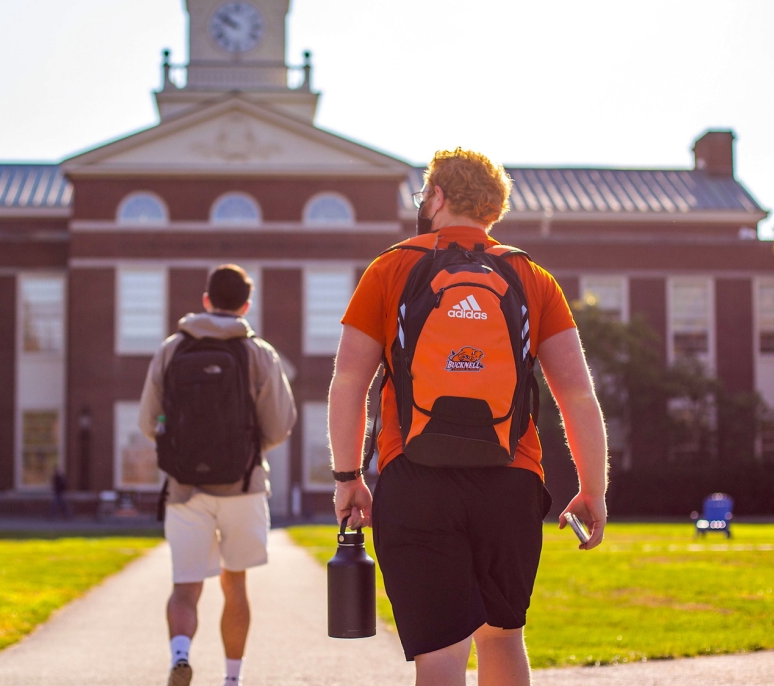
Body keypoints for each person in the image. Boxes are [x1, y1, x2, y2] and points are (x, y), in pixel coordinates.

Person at [328, 149, 609, 686]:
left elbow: (348, 382)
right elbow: (577, 395)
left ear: (435, 198)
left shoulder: (390, 268)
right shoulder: (531, 276)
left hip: (415, 477)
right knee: (502, 637)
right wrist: (592, 488)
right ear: (493, 210)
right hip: (511, 476)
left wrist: (349, 478)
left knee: (441, 650)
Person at [138, 264, 297, 686]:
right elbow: (281, 424)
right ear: (246, 304)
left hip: (184, 490)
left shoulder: (172, 348)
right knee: (235, 585)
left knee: (185, 587)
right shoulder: (259, 352)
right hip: (242, 487)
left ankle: (180, 654)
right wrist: (245, 449)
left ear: (206, 300)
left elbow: (146, 420)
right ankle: (232, 679)